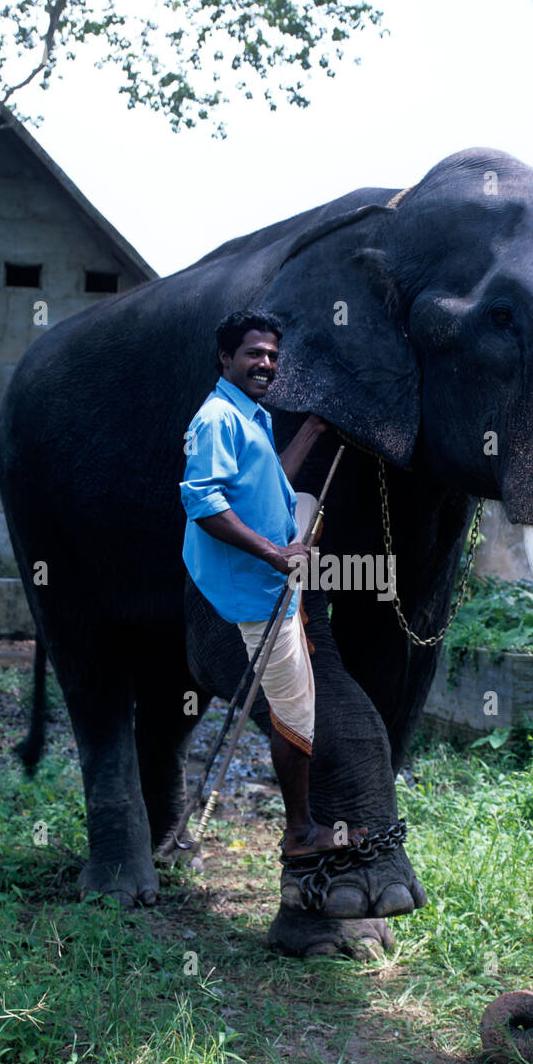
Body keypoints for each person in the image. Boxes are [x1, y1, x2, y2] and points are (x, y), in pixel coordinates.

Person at [181, 310, 365, 860]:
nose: (265, 364)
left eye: (271, 356)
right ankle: (299, 832)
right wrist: (276, 553)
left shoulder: (250, 413)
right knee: (293, 712)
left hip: (270, 577)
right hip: (258, 588)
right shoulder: (217, 419)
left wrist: (311, 429)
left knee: (296, 703)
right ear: (225, 358)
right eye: (253, 353)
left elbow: (271, 484)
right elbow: (202, 501)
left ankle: (301, 826)